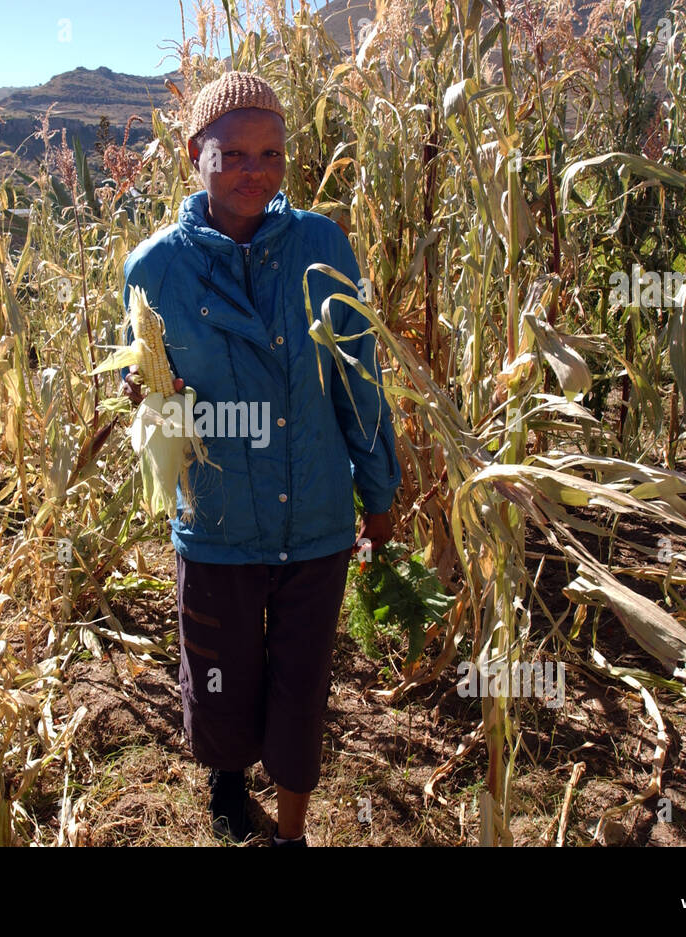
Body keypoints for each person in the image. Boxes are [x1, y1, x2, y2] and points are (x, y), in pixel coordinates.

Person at [118, 71, 400, 846]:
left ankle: (293, 831)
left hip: (314, 520)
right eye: (234, 152)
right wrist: (146, 391)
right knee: (220, 678)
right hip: (218, 523)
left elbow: (358, 378)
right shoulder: (155, 270)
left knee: (301, 687)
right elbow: (139, 387)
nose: (255, 171)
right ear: (193, 155)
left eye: (271, 153)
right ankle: (228, 787)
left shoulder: (320, 244)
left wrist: (379, 498)